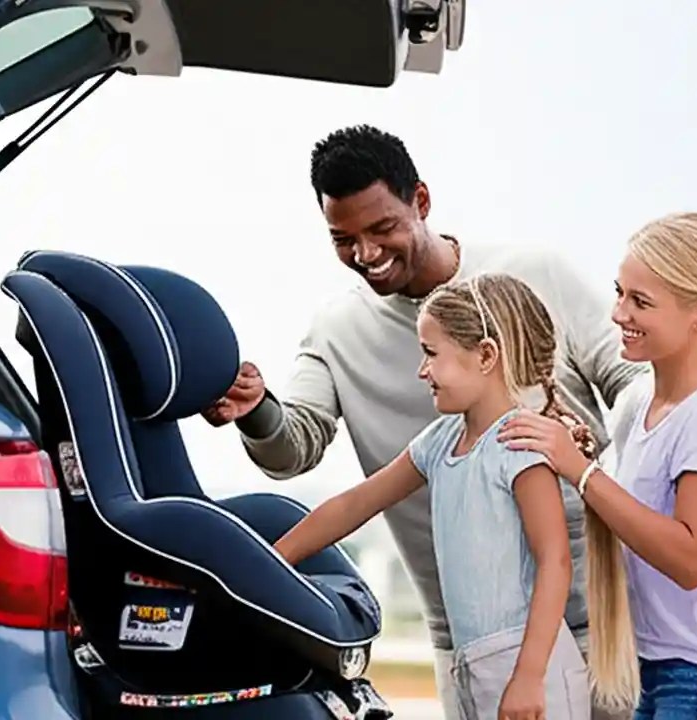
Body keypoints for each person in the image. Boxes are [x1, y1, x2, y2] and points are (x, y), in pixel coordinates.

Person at [201, 124, 644, 719]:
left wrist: (599, 466)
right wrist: (257, 419)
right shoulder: (350, 346)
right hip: (465, 645)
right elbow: (309, 462)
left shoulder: (535, 277)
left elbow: (639, 387)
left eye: (381, 228)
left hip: (599, 627)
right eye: (343, 239)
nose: (366, 254)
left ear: (422, 202)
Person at [497, 211, 697, 720]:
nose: (618, 313)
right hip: (656, 668)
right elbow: (628, 511)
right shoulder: (638, 403)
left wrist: (583, 473)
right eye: (619, 293)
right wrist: (583, 455)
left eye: (640, 302)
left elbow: (689, 559)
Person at [275, 274, 598, 719]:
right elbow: (356, 504)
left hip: (531, 671)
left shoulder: (521, 446)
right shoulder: (438, 441)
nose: (421, 370)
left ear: (486, 355)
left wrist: (528, 677)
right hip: (471, 667)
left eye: (430, 353)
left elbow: (555, 561)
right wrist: (272, 562)